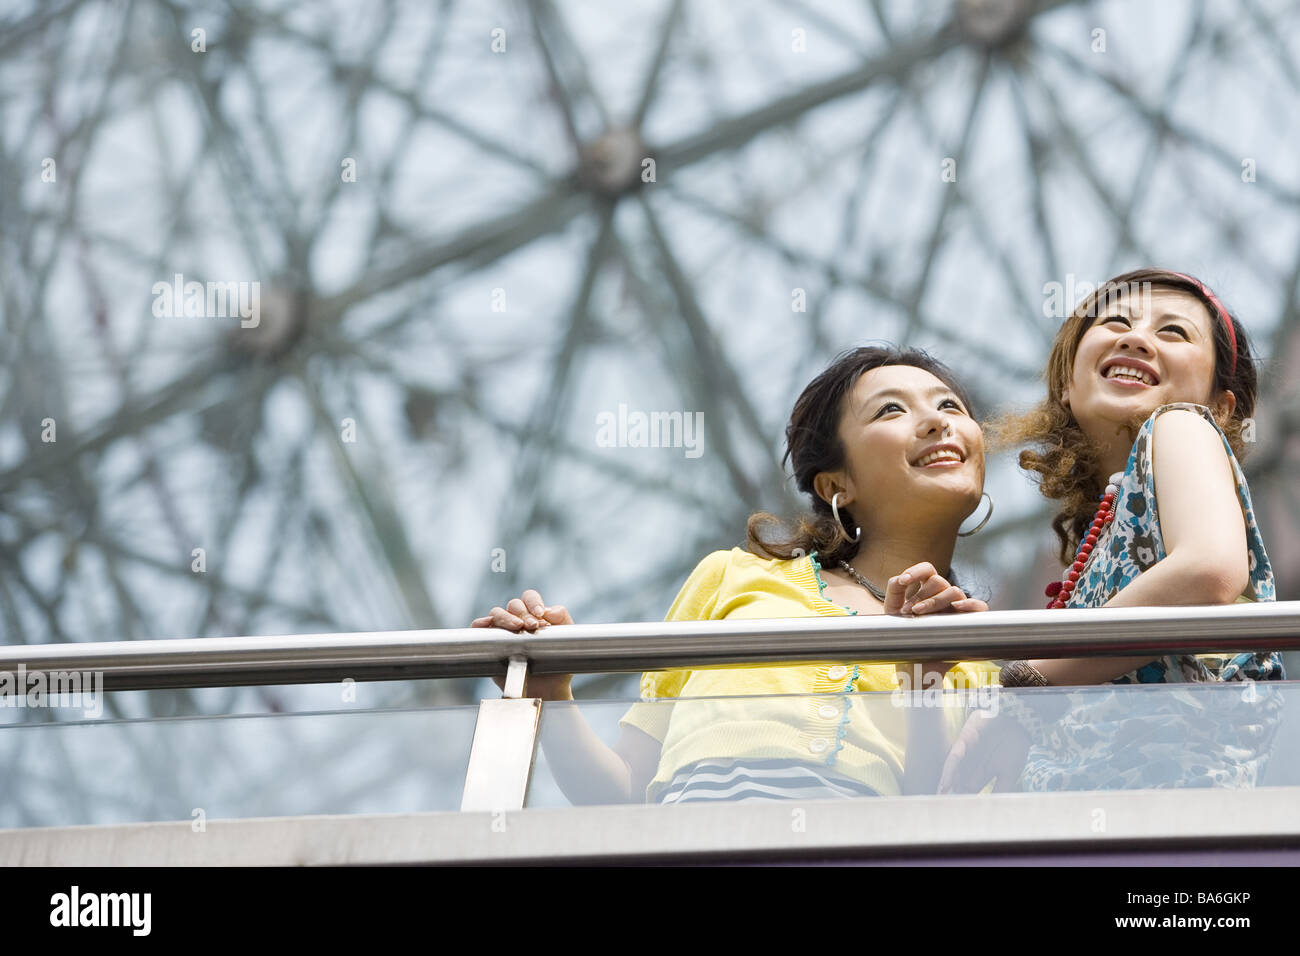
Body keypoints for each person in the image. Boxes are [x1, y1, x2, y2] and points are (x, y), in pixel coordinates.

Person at [473, 346, 1000, 805]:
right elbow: (626, 789)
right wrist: (552, 694)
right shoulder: (731, 577)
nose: (936, 421)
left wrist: (924, 678)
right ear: (836, 484)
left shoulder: (981, 660)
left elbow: (932, 825)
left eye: (950, 405)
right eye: (890, 410)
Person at [941, 268, 1286, 794]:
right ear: (1066, 388)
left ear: (1219, 406)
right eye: (1116, 322)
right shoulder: (1108, 531)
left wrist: (1024, 692)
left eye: (1173, 332)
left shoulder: (1180, 423)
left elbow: (1209, 570)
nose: (1135, 336)